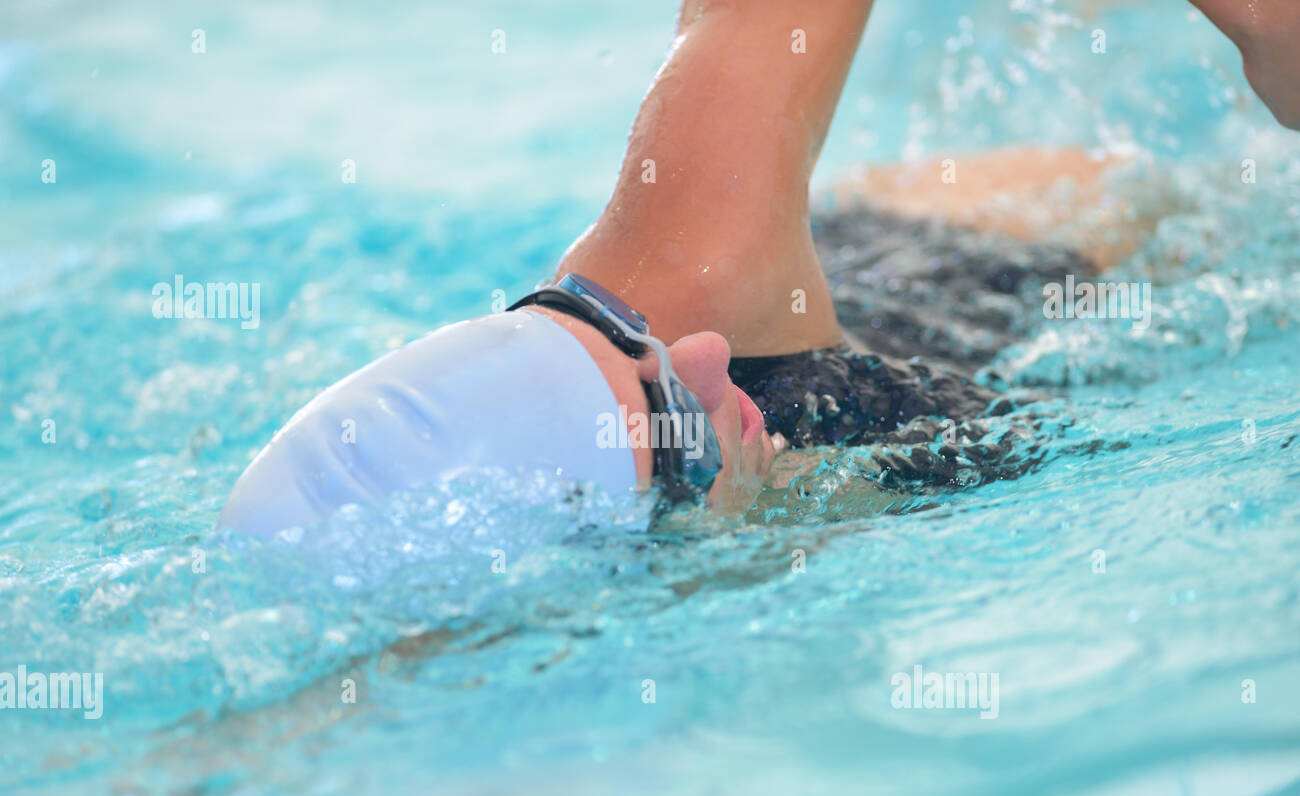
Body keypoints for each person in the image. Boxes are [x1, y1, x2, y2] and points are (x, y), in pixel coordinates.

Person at [219, 0, 1299, 539]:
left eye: (609, 333)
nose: (695, 355)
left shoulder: (698, 269)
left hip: (968, 251)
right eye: (668, 424)